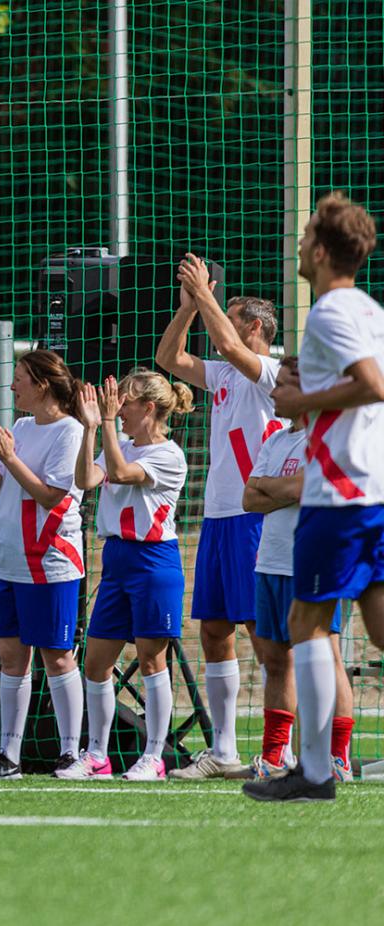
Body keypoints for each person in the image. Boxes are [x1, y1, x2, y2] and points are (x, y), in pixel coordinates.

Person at [245, 192, 384, 802]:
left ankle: (316, 772)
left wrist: (301, 401)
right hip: (367, 486)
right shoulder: (368, 308)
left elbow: (372, 385)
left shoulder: (329, 310)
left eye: (304, 239)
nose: (298, 247)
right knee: (374, 627)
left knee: (307, 621)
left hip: (341, 494)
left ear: (322, 252)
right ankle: (316, 769)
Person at [157, 257, 283, 780]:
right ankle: (225, 751)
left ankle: (281, 751)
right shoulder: (226, 372)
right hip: (217, 516)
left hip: (254, 517)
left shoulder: (270, 370)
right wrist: (189, 307)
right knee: (213, 628)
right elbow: (168, 357)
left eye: (228, 317)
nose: (218, 327)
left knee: (263, 632)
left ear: (253, 327)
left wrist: (203, 291)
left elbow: (230, 347)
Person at [0, 349, 86, 780]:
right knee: (11, 659)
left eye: (20, 378)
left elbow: (52, 496)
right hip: (8, 560)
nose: (13, 385)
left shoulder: (70, 431)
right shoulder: (21, 427)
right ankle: (8, 756)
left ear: (42, 385)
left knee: (58, 657)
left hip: (49, 561)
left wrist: (10, 456)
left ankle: (70, 753)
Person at [62, 371, 192, 781]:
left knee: (152, 660)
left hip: (153, 562)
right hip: (116, 560)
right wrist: (89, 429)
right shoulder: (121, 444)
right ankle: (97, 756)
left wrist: (104, 423)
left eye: (125, 402)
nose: (117, 408)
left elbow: (119, 473)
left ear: (148, 408)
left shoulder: (168, 455)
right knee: (96, 662)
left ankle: (154, 756)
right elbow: (86, 479)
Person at [239, 356, 355, 782]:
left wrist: (274, 488)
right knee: (275, 660)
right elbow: (249, 499)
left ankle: (336, 759)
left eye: (283, 385)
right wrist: (285, 489)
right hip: (269, 562)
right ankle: (275, 756)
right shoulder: (275, 440)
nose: (272, 393)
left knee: (326, 659)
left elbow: (309, 487)